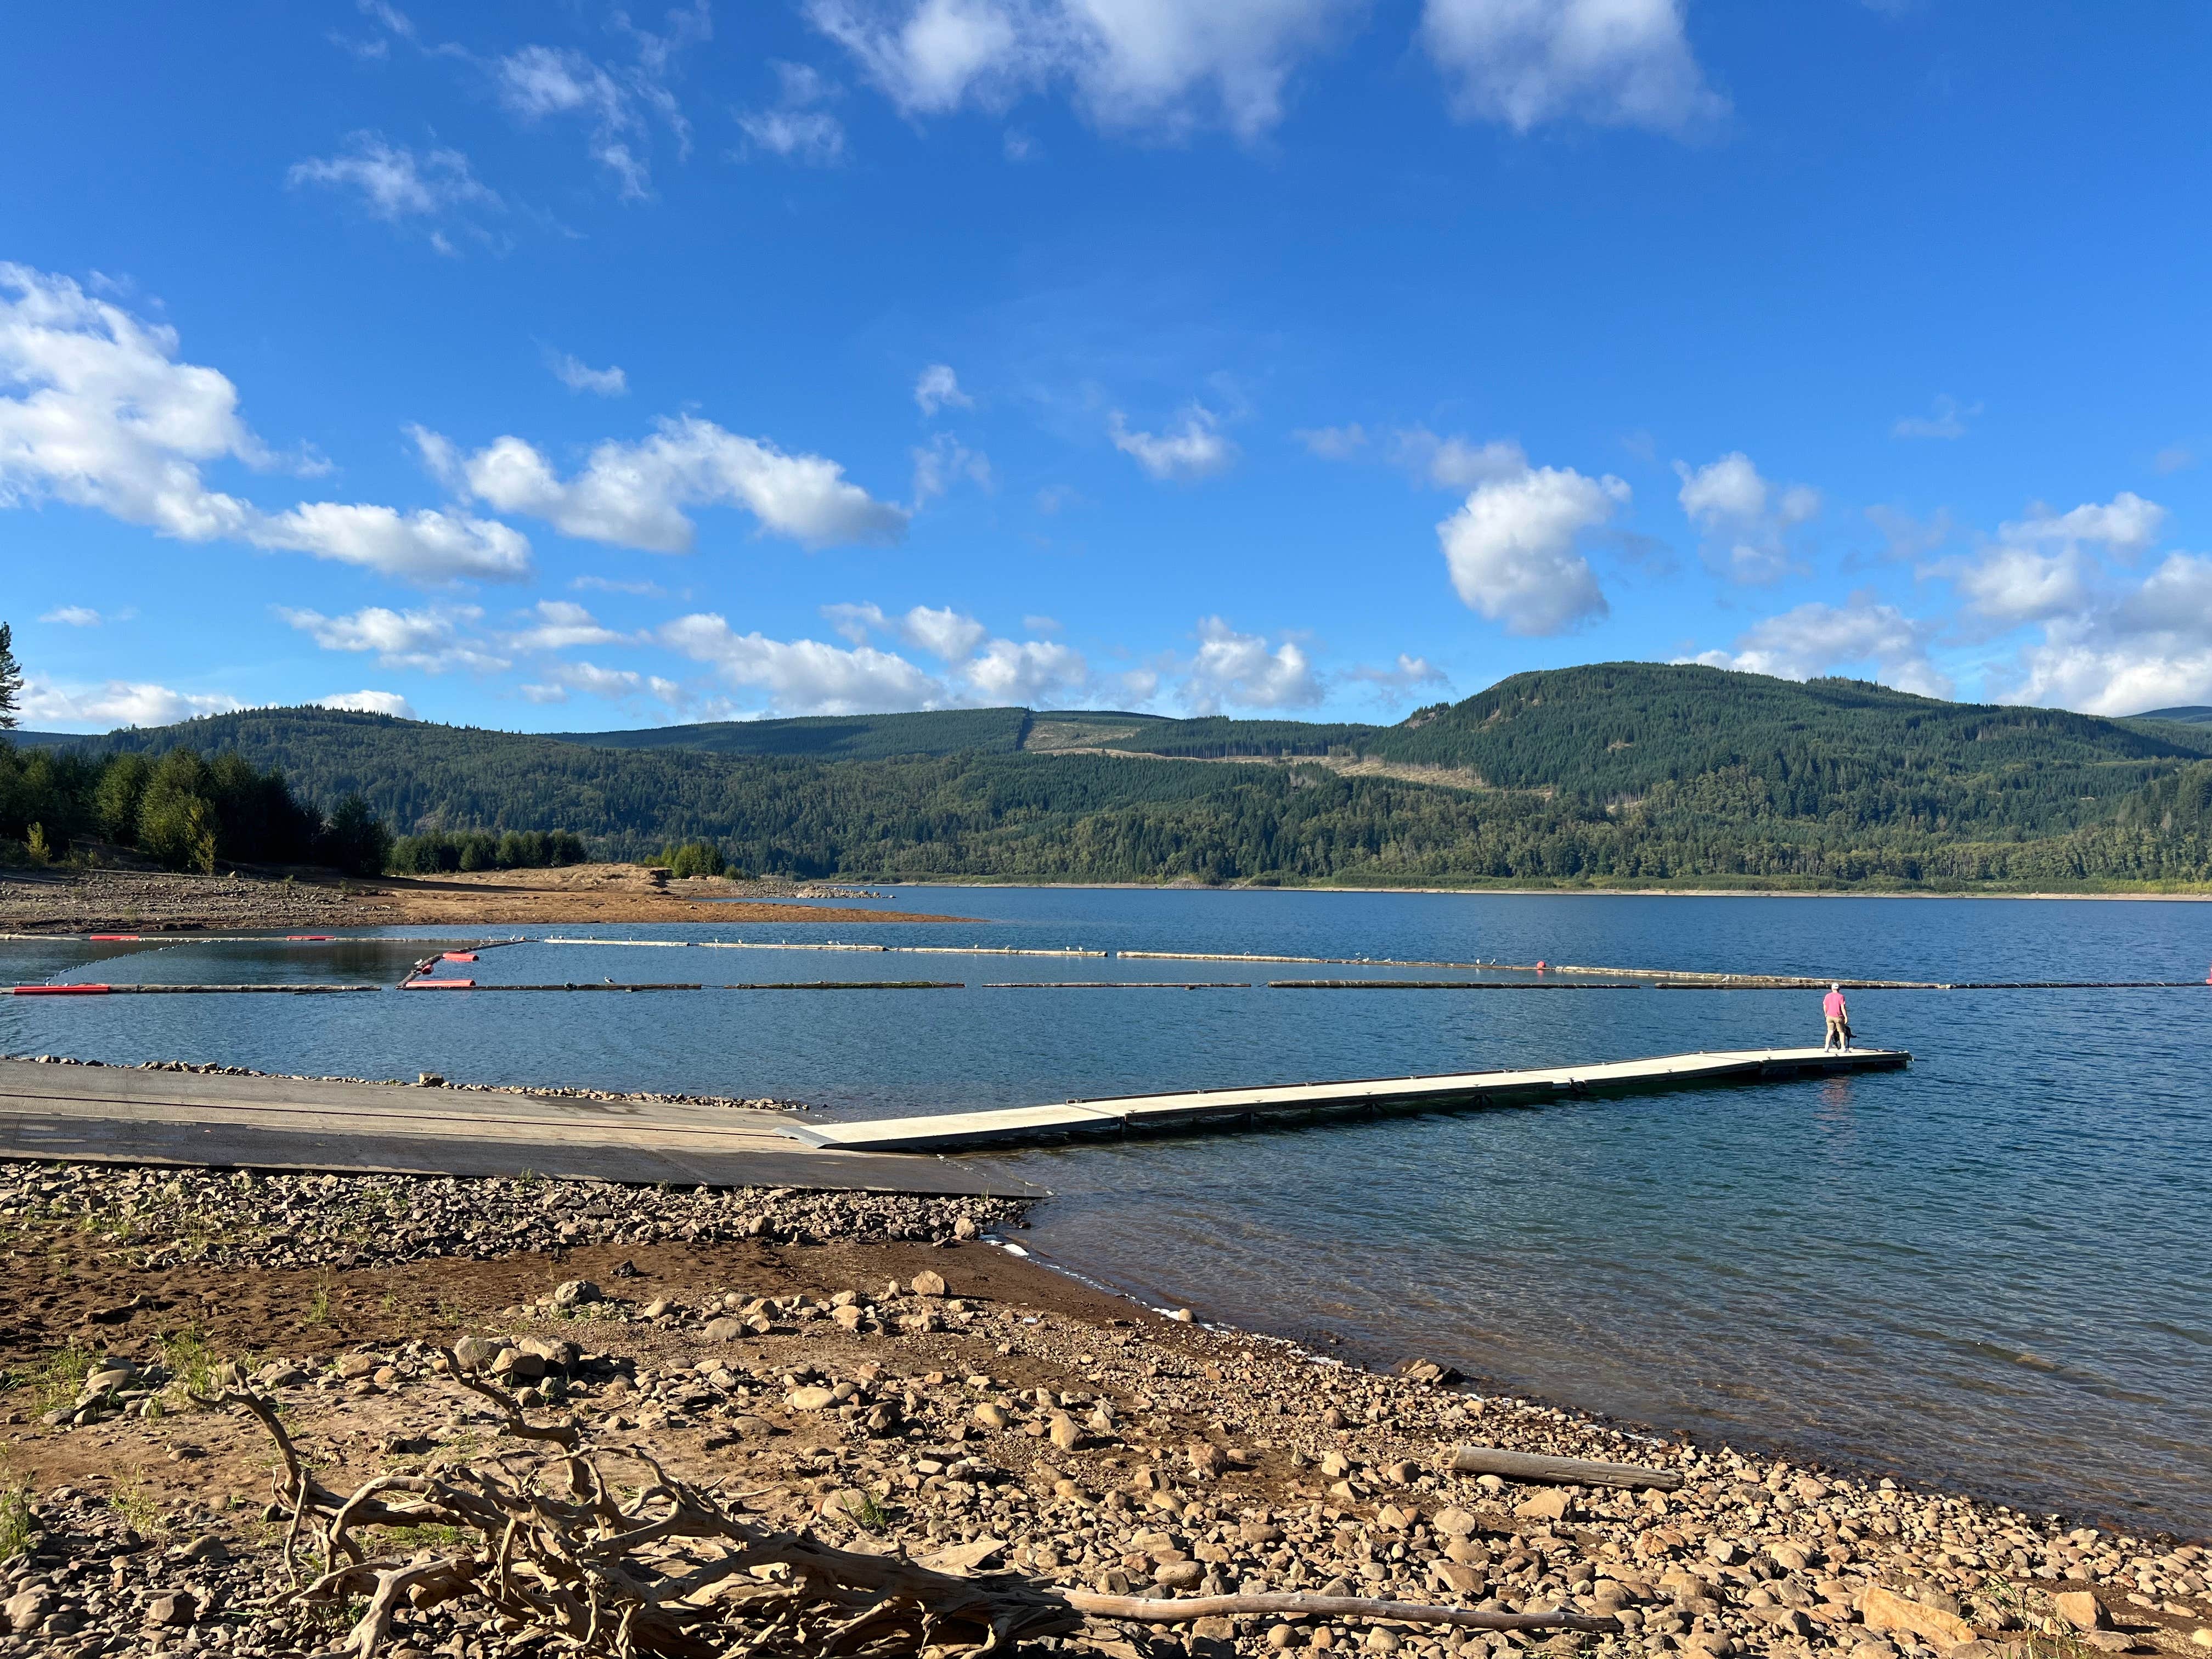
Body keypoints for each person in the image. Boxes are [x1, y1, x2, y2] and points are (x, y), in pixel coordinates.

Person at [1822, 983, 1850, 1052]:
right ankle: (1843, 1048)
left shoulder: (1827, 996)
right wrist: (1846, 1017)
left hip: (1829, 1016)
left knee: (1830, 1032)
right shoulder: (1841, 997)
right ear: (1839, 989)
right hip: (1838, 1017)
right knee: (1842, 1032)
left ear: (1832, 989)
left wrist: (1826, 1014)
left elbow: (1825, 1007)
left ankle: (1827, 1047)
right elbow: (1843, 1008)